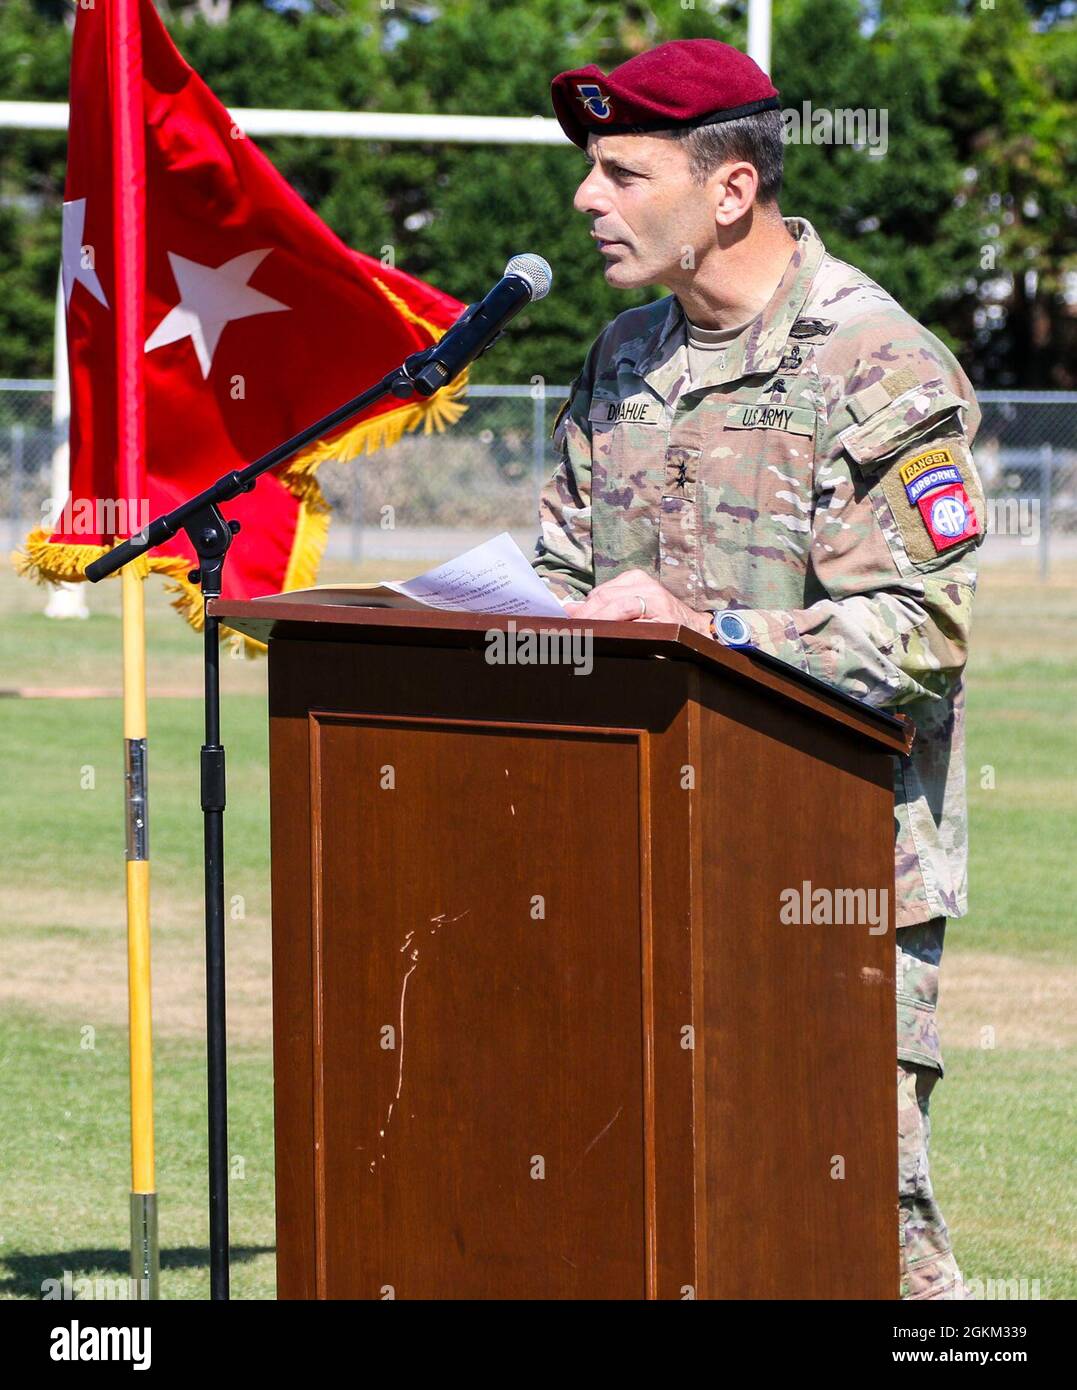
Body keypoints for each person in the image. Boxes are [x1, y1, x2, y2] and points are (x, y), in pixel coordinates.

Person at [534, 37, 985, 1300]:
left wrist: (705, 633)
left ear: (729, 188)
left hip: (826, 878)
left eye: (622, 172)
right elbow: (562, 575)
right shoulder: (624, 358)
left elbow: (922, 638)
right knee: (644, 1210)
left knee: (849, 1234)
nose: (587, 198)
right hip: (626, 862)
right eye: (590, 171)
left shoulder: (875, 362)